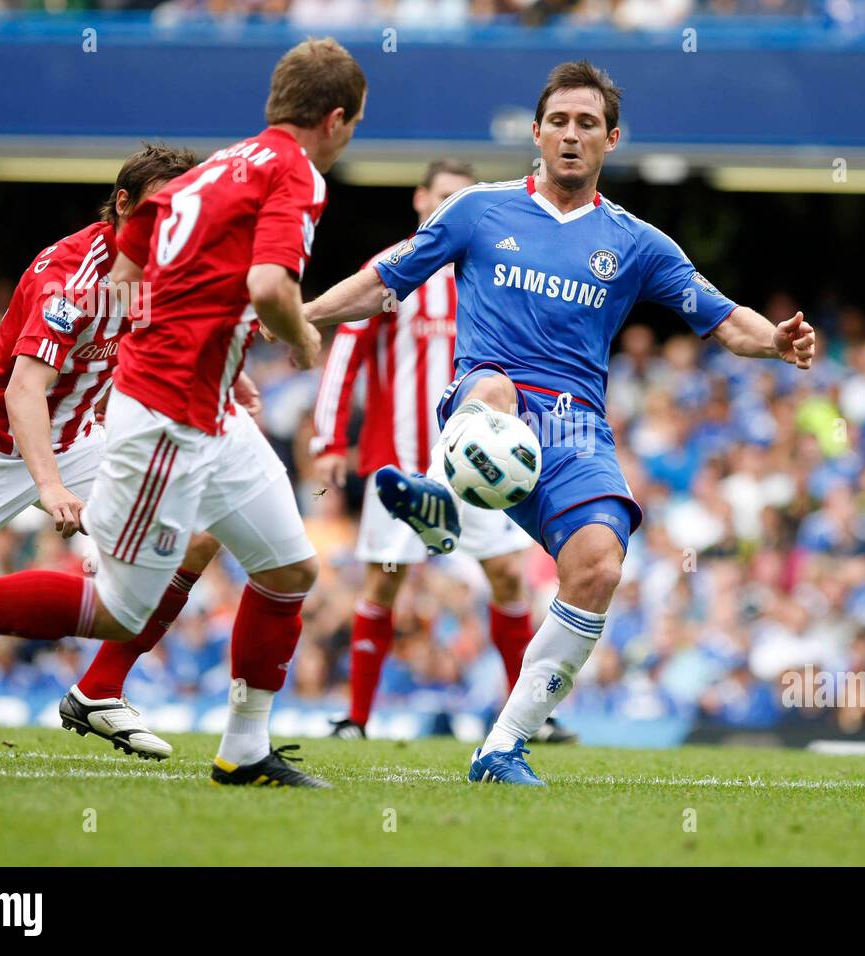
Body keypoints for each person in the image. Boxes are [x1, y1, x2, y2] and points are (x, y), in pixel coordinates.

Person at [302, 60, 816, 784]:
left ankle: (503, 746)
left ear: (611, 139)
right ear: (537, 133)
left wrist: (776, 341)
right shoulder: (478, 208)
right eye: (559, 123)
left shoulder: (637, 242)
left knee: (600, 564)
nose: (571, 136)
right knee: (497, 403)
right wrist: (303, 315)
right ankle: (438, 494)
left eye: (586, 125)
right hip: (489, 392)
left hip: (577, 427)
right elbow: (385, 279)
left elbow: (723, 318)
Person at [0, 37, 367, 789]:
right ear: (339, 120)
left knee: (287, 566)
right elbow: (271, 288)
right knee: (113, 606)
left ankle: (234, 745)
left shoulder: (221, 167)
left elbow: (159, 246)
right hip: (42, 431)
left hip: (130, 416)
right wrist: (302, 338)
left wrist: (220, 355)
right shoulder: (292, 178)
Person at [0, 143, 234, 761]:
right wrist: (48, 487)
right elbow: (24, 390)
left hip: (82, 438)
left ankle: (100, 688)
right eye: (159, 213)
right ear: (123, 206)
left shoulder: (169, 269)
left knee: (206, 524)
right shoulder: (72, 273)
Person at [312, 158, 575, 743]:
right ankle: (356, 718)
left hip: (482, 461)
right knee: (384, 581)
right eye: (443, 196)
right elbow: (345, 353)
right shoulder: (392, 273)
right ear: (420, 198)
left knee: (508, 575)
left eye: (463, 198)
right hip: (403, 460)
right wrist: (328, 439)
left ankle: (531, 720)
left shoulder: (495, 271)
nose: (452, 207)